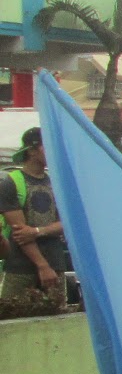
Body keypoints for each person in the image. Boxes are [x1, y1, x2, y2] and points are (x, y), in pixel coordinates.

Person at [0, 127, 69, 300]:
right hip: (20, 267)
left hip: (56, 263)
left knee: (57, 320)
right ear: (31, 151)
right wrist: (42, 266)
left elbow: (67, 223)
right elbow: (20, 233)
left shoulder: (56, 183)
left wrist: (37, 231)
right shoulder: (11, 182)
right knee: (14, 318)